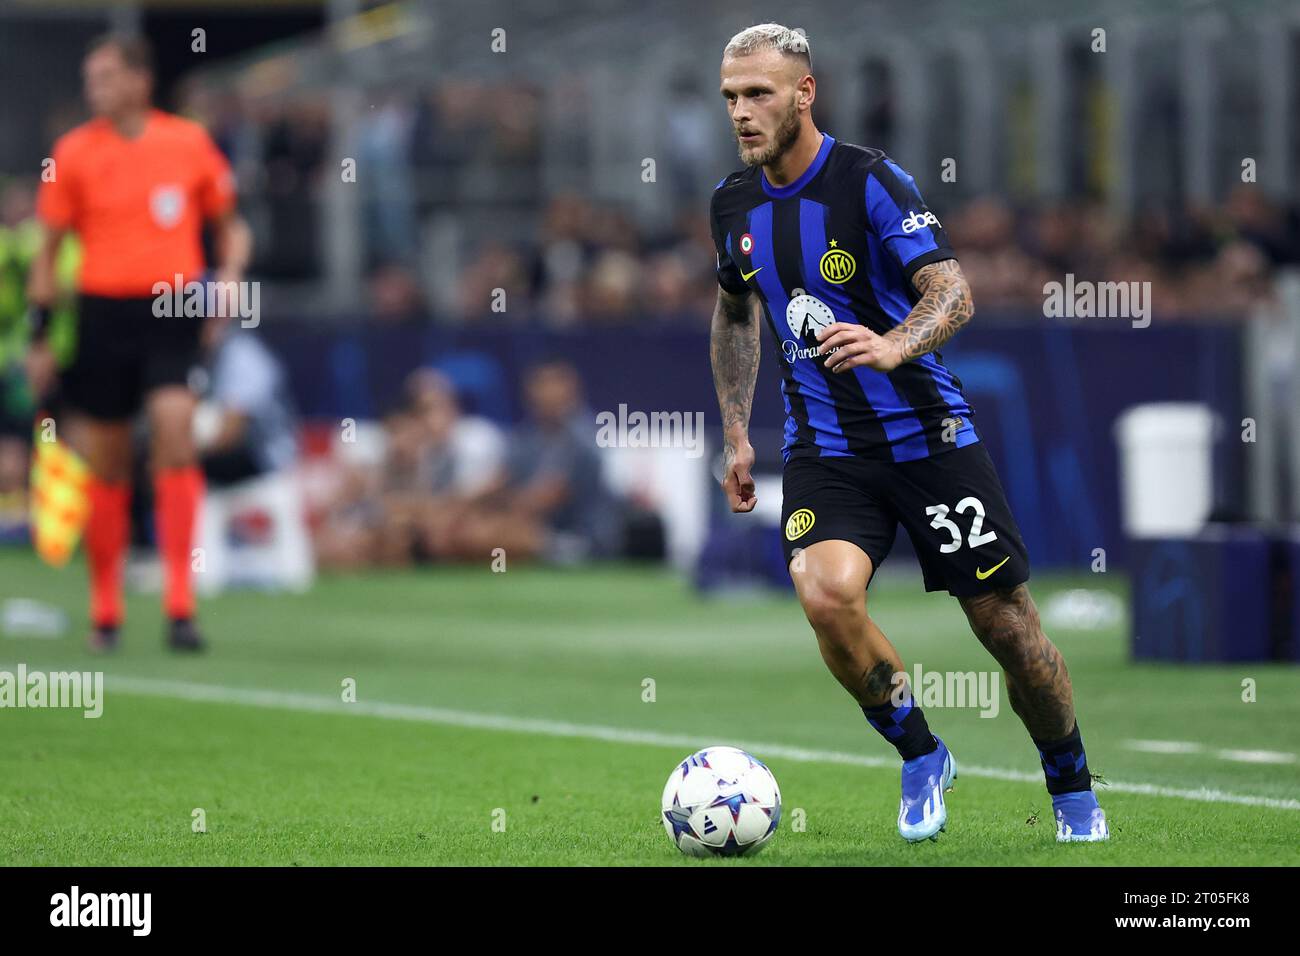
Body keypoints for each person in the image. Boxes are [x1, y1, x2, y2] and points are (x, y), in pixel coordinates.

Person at [707, 24, 1107, 843]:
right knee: (824, 594)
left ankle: (1072, 790)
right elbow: (736, 308)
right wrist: (738, 432)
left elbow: (953, 292)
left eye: (759, 94)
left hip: (930, 440)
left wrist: (892, 345)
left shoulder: (869, 181)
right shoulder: (733, 204)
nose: (742, 113)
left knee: (1005, 625)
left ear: (804, 93)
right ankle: (919, 750)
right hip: (828, 452)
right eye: (731, 98)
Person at [25, 33, 253, 652]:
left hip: (172, 304)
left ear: (138, 81)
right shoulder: (72, 153)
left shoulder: (186, 142)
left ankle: (181, 604)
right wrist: (40, 333)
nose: (93, 88)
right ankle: (107, 608)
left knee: (175, 429)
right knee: (109, 458)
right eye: (90, 77)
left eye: (104, 76)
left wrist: (229, 278)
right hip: (102, 309)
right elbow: (47, 254)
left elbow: (231, 228)